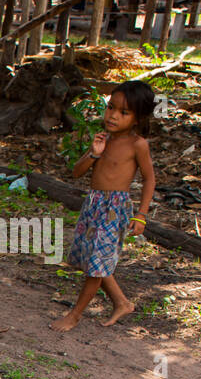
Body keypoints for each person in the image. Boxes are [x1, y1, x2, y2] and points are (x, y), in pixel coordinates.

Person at [51, 80, 155, 332]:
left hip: (114, 209)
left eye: (124, 112)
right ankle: (121, 302)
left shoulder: (137, 144)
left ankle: (75, 315)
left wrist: (141, 215)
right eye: (111, 108)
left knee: (97, 263)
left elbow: (150, 179)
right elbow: (76, 172)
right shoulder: (103, 139)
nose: (113, 116)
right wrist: (94, 153)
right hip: (94, 204)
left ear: (138, 118)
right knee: (94, 259)